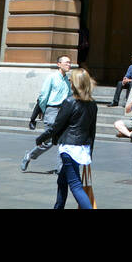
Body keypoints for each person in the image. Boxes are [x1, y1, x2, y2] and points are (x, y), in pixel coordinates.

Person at [35, 67, 99, 209]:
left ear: (75, 83)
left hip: (69, 147)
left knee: (75, 185)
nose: (69, 82)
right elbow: (92, 131)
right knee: (62, 180)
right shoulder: (92, 104)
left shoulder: (70, 102)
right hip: (82, 147)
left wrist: (41, 138)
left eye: (71, 80)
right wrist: (90, 151)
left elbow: (56, 126)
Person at [21, 55, 73, 170]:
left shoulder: (67, 80)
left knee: (63, 141)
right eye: (66, 62)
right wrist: (46, 110)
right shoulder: (52, 77)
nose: (69, 65)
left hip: (63, 112)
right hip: (52, 110)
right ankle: (29, 156)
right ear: (58, 64)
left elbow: (69, 95)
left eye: (70, 63)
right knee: (48, 141)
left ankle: (61, 168)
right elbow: (43, 97)